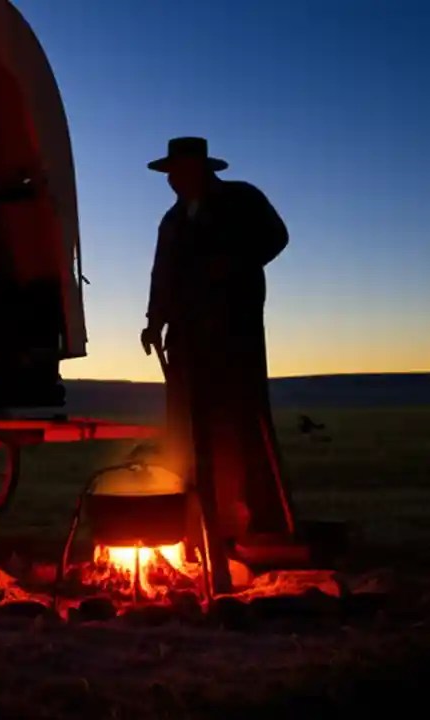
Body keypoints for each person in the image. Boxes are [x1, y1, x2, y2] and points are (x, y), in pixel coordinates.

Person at [140, 136, 292, 547]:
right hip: (185, 333)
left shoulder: (241, 199)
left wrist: (234, 263)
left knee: (240, 417)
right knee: (187, 422)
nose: (173, 180)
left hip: (232, 327)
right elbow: (162, 274)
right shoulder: (173, 220)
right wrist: (154, 322)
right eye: (170, 174)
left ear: (200, 170)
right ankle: (193, 518)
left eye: (179, 172)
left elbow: (276, 237)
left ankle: (255, 517)